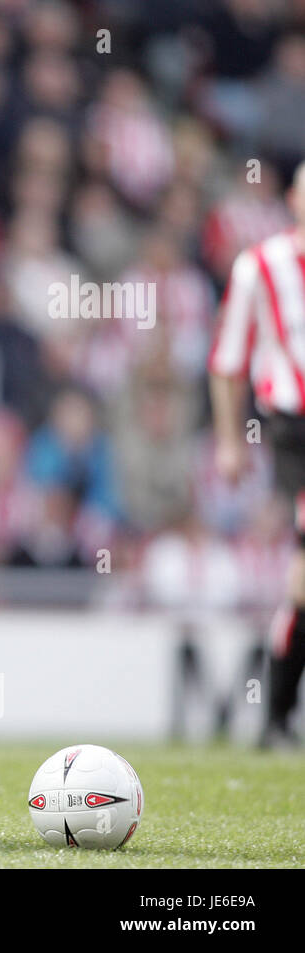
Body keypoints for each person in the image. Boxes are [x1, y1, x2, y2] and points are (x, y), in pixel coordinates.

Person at [209, 159, 305, 750]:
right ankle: (274, 712)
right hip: (294, 427)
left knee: (300, 586)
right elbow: (227, 361)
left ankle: (276, 715)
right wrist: (227, 441)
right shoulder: (260, 266)